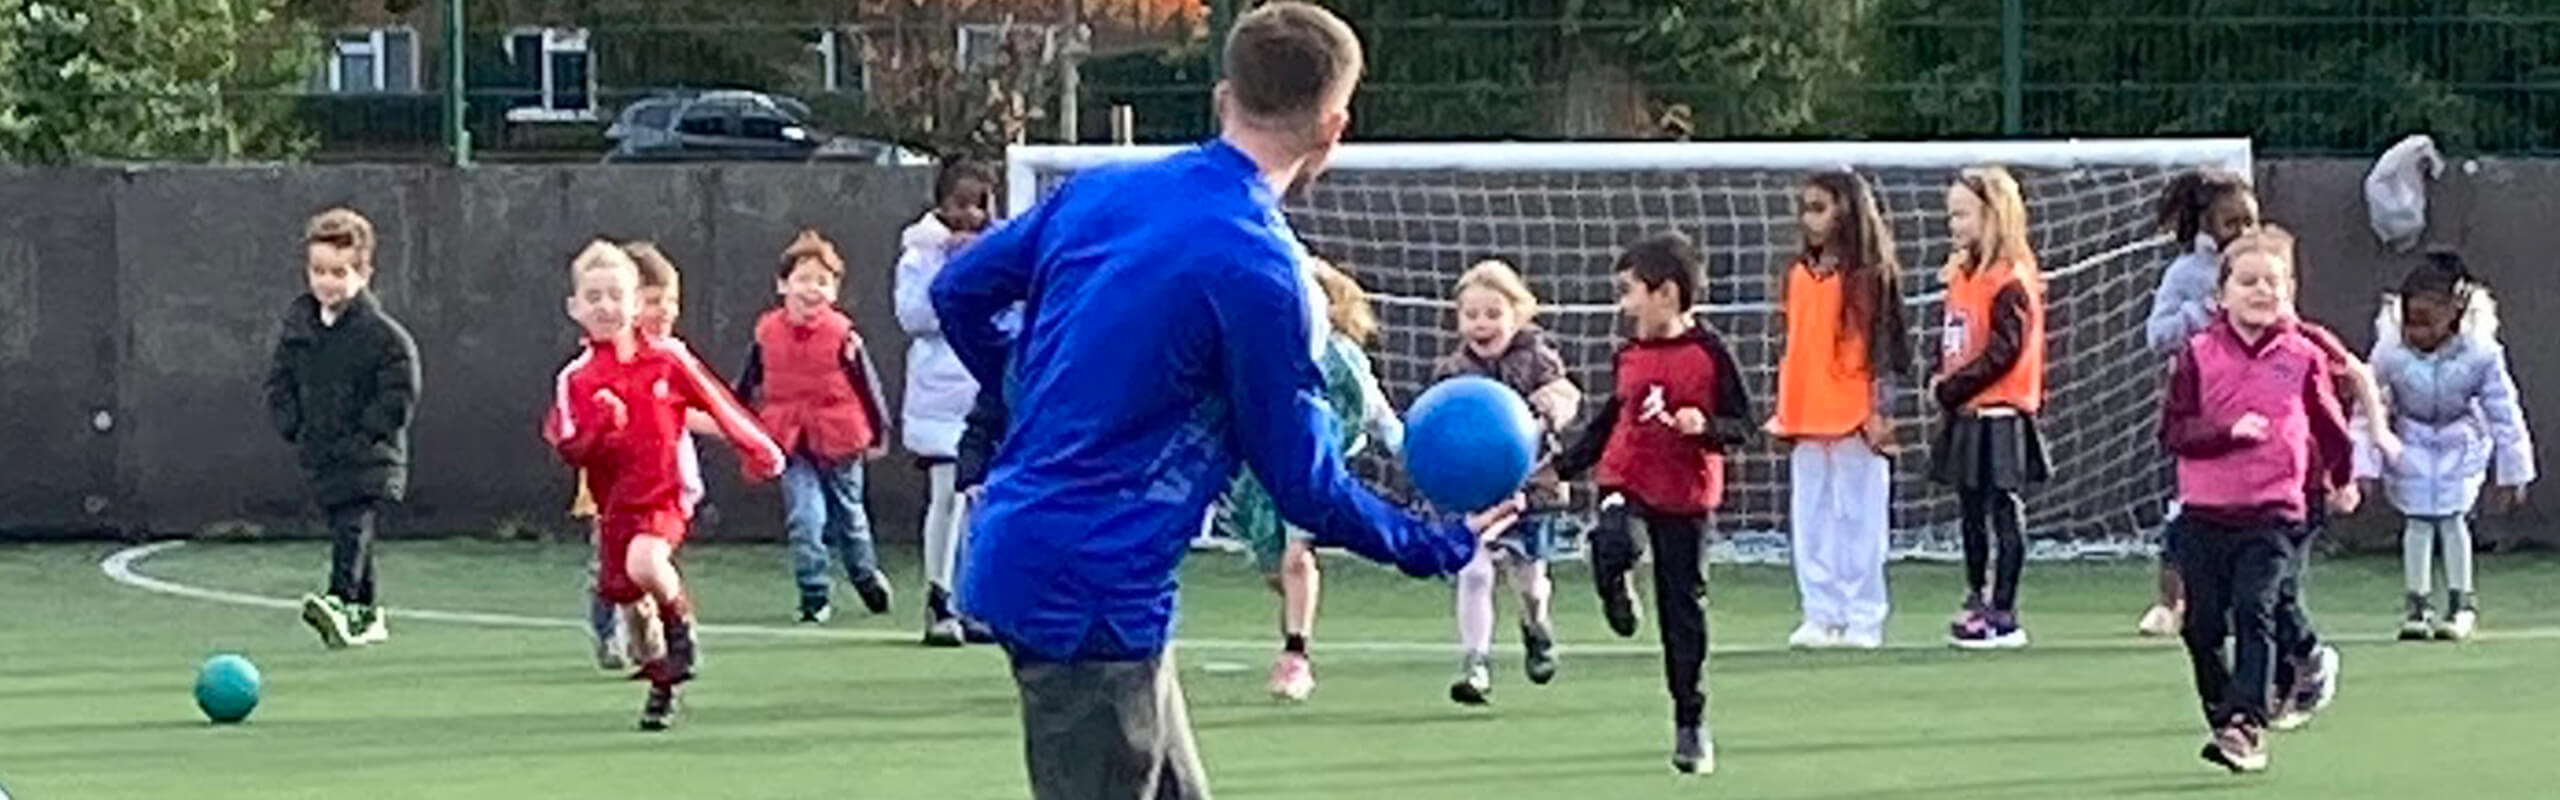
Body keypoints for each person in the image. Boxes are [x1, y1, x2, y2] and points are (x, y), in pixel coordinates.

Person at [929, 4, 1517, 796]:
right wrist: (1436, 543)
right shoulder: (1267, 275)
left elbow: (958, 289)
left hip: (1059, 565)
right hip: (1091, 595)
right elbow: (1304, 482)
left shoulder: (1102, 193)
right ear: (1333, 128)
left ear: (1222, 96)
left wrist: (1017, 388)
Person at [547, 241, 786, 730]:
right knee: (628, 600)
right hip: (615, 507)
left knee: (647, 562)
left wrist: (759, 448)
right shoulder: (576, 379)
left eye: (616, 295)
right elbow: (570, 446)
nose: (606, 307)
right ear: (575, 309)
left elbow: (717, 403)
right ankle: (663, 688)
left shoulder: (667, 359)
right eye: (594, 298)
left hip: (664, 496)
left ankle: (683, 630)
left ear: (637, 302)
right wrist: (602, 429)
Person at [2158, 225, 2355, 773]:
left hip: (2273, 513)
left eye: (2274, 282)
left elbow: (2329, 424)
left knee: (2256, 606)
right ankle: (2228, 713)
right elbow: (2172, 433)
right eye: (2249, 282)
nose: (2262, 291)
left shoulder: (2302, 356)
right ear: (2222, 294)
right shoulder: (2196, 355)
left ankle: (2246, 723)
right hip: (2205, 514)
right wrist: (2226, 432)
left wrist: (2342, 476)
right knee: (2201, 628)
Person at [1556, 231, 1751, 774]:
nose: (1625, 305)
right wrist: (1563, 466)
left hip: (1685, 495)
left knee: (1682, 610)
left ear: (1666, 293)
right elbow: (1609, 420)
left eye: (1630, 291)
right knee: (1613, 535)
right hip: (1627, 475)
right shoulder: (1629, 354)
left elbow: (1743, 427)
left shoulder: (1710, 355)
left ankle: (1690, 721)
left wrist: (1706, 427)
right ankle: (1613, 582)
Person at [1219, 256, 1404, 702]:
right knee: (1276, 566)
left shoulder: (1345, 362)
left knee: (1297, 554)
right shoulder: (1257, 351)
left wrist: (1410, 451)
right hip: (1262, 471)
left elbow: (1377, 413)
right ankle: (1297, 625)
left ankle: (1296, 655)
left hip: (1317, 468)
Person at [1767, 169, 1911, 650]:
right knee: (1811, 516)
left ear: (1846, 211)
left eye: (1820, 208)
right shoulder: (1798, 275)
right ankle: (1820, 611)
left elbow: (1890, 351)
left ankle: (1864, 615)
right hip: (1807, 413)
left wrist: (1882, 410)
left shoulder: (1871, 278)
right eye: (1806, 208)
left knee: (1860, 517)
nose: (1810, 219)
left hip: (1855, 414)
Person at [2359, 248, 2534, 643]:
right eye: (2408, 323)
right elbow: (2368, 409)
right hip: (2411, 445)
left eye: (2426, 323)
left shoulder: (2483, 354)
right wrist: (2364, 466)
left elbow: (2504, 412)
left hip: (2461, 444)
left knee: (2454, 520)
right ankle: (2417, 605)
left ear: (2454, 316)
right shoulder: (2389, 353)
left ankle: (2461, 603)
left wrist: (2514, 469)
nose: (2415, 333)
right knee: (2418, 522)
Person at [265, 207, 420, 650]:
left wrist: (365, 434)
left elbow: (398, 392)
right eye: (318, 271)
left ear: (363, 273)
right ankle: (366, 613)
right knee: (348, 528)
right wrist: (293, 424)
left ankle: (338, 599)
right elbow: (279, 382)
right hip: (322, 453)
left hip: (369, 457)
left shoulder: (384, 337)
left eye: (338, 272)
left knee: (354, 525)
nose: (327, 282)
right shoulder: (299, 330)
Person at [1434, 258, 1580, 705]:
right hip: (1475, 493)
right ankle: (1475, 662)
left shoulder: (1538, 358)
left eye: (1493, 313)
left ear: (1518, 314)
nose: (1482, 324)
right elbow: (1436, 423)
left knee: (1530, 580)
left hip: (1530, 490)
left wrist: (1550, 406)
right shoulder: (1453, 373)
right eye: (1471, 314)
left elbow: (1567, 395)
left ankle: (1536, 626)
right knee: (1474, 570)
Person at [737, 231, 896, 624]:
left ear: (835, 291)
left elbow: (867, 384)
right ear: (783, 285)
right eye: (804, 279)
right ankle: (814, 593)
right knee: (805, 519)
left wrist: (878, 432)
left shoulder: (844, 336)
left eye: (823, 281)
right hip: (789, 440)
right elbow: (746, 385)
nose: (813, 289)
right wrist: (740, 428)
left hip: (840, 437)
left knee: (850, 516)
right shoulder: (766, 333)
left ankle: (865, 575)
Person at [1929, 166, 2051, 650]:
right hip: (1967, 414)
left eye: (1963, 214)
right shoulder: (1962, 276)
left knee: (2004, 509)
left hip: (2000, 414)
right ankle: (1975, 597)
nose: (1954, 224)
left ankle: (2005, 609)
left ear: (1993, 215)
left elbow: (2004, 352)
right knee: (1970, 513)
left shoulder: (2010, 280)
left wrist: (1951, 387)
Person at [2137, 167, 2260, 637]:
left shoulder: (2262, 272)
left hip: (2251, 405)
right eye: (2232, 223)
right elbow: (2157, 336)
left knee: (2247, 505)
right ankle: (2170, 601)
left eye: (2250, 222)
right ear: (2207, 224)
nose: (2243, 234)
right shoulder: (2187, 273)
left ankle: (2236, 598)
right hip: (2202, 408)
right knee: (2189, 505)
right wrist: (2201, 311)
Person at [894, 160, 1002, 646]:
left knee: (984, 499)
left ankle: (974, 600)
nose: (971, 215)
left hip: (985, 388)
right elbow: (913, 314)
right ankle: (939, 597)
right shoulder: (919, 253)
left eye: (979, 204)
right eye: (961, 204)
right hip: (939, 391)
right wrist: (955, 276)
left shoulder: (1000, 248)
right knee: (947, 496)